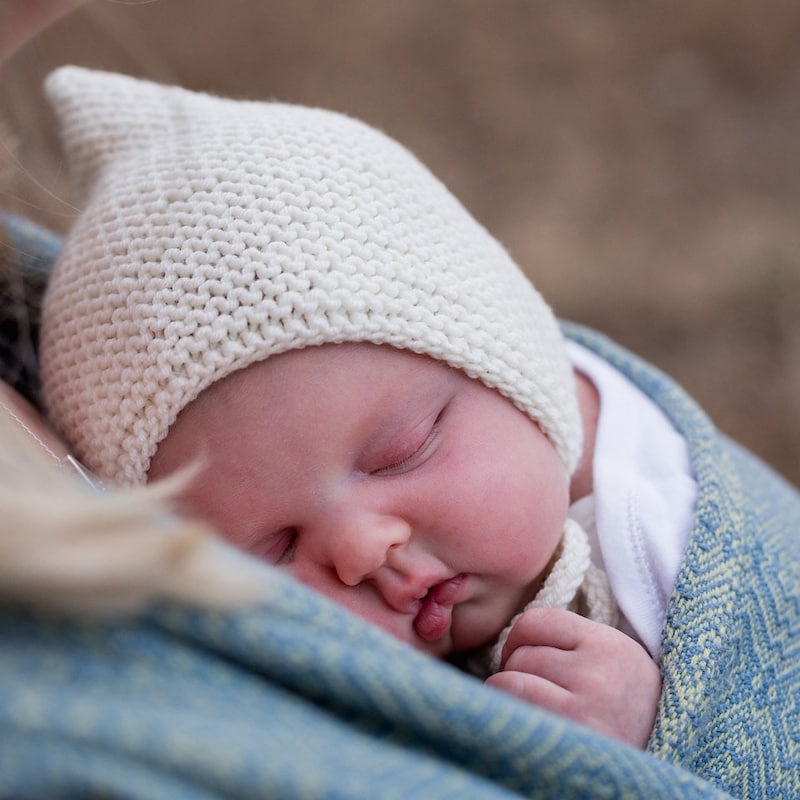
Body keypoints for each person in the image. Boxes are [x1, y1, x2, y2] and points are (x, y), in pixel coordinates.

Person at [36, 59, 800, 780]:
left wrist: (653, 736)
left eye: (401, 452)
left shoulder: (665, 543)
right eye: (274, 550)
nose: (365, 549)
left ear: (517, 365)